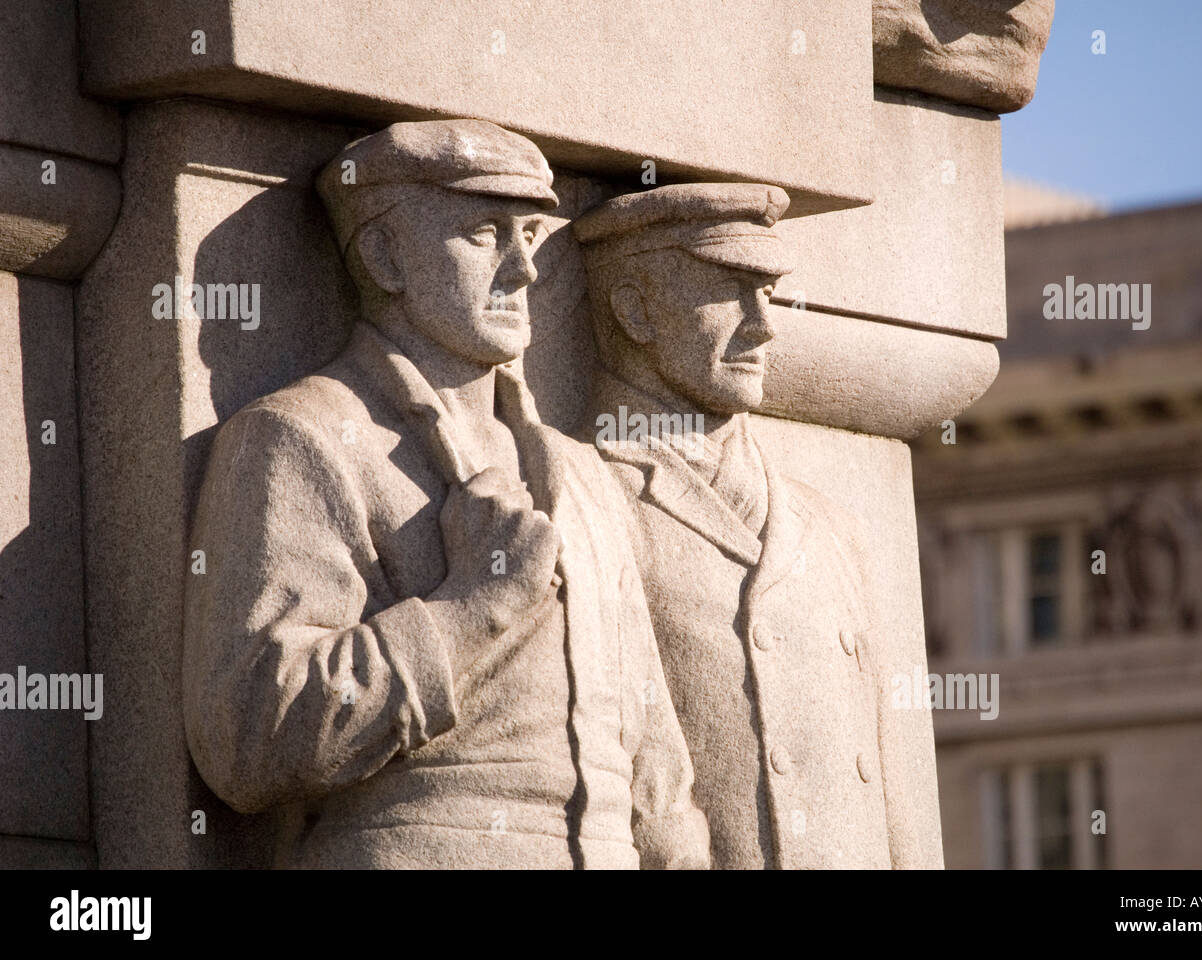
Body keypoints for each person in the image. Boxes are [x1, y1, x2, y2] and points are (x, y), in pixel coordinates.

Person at [183, 120, 707, 870]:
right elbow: (248, 737)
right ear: (384, 256)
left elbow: (655, 769)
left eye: (531, 233)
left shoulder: (580, 472)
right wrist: (470, 610)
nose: (525, 269)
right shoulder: (300, 435)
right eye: (485, 234)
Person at [574, 182, 944, 868]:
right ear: (634, 311)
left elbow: (898, 799)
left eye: (767, 292)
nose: (764, 324)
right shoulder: (585, 496)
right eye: (731, 290)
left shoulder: (831, 527)